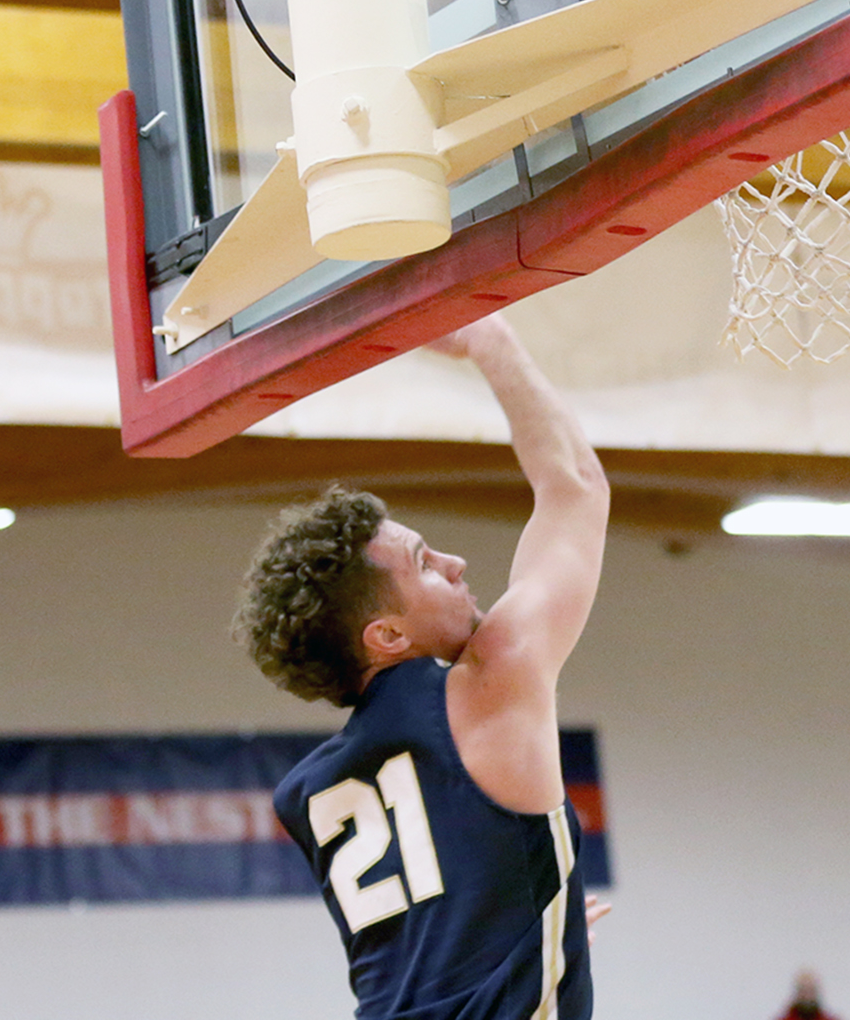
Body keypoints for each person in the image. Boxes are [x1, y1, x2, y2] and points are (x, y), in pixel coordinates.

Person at [235, 314, 611, 1020]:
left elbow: (423, 941)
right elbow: (575, 490)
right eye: (423, 564)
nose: (455, 563)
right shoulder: (490, 681)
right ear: (385, 634)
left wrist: (527, 937)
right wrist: (491, 340)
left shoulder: (310, 792)